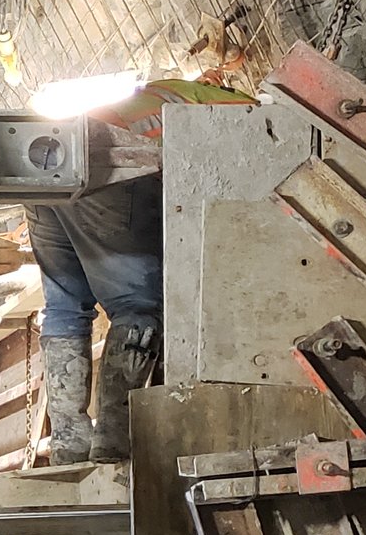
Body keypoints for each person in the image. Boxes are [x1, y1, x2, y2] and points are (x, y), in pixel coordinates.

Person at [30, 77, 253, 465]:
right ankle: (113, 443)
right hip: (108, 166)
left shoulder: (168, 91)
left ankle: (68, 442)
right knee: (138, 304)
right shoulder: (250, 110)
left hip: (42, 166)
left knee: (65, 309)